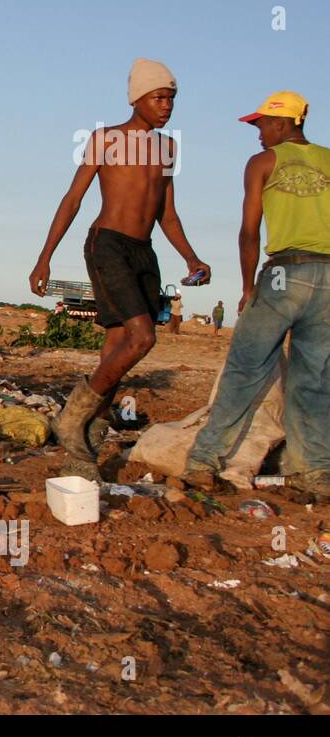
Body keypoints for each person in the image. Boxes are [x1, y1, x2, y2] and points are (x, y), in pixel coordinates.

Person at [28, 58, 210, 473]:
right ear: (137, 99)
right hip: (106, 243)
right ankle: (72, 418)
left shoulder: (168, 147)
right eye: (159, 98)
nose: (167, 106)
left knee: (117, 347)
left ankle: (86, 439)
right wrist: (45, 256)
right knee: (142, 338)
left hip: (143, 251)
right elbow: (73, 198)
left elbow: (167, 214)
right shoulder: (105, 139)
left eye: (172, 99)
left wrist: (191, 256)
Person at [186, 92, 329, 495]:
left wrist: (249, 287)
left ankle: (203, 461)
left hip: (288, 272)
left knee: (246, 368)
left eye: (262, 124)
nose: (258, 134)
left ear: (283, 124)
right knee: (314, 379)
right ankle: (315, 473)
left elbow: (249, 230)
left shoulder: (263, 162)